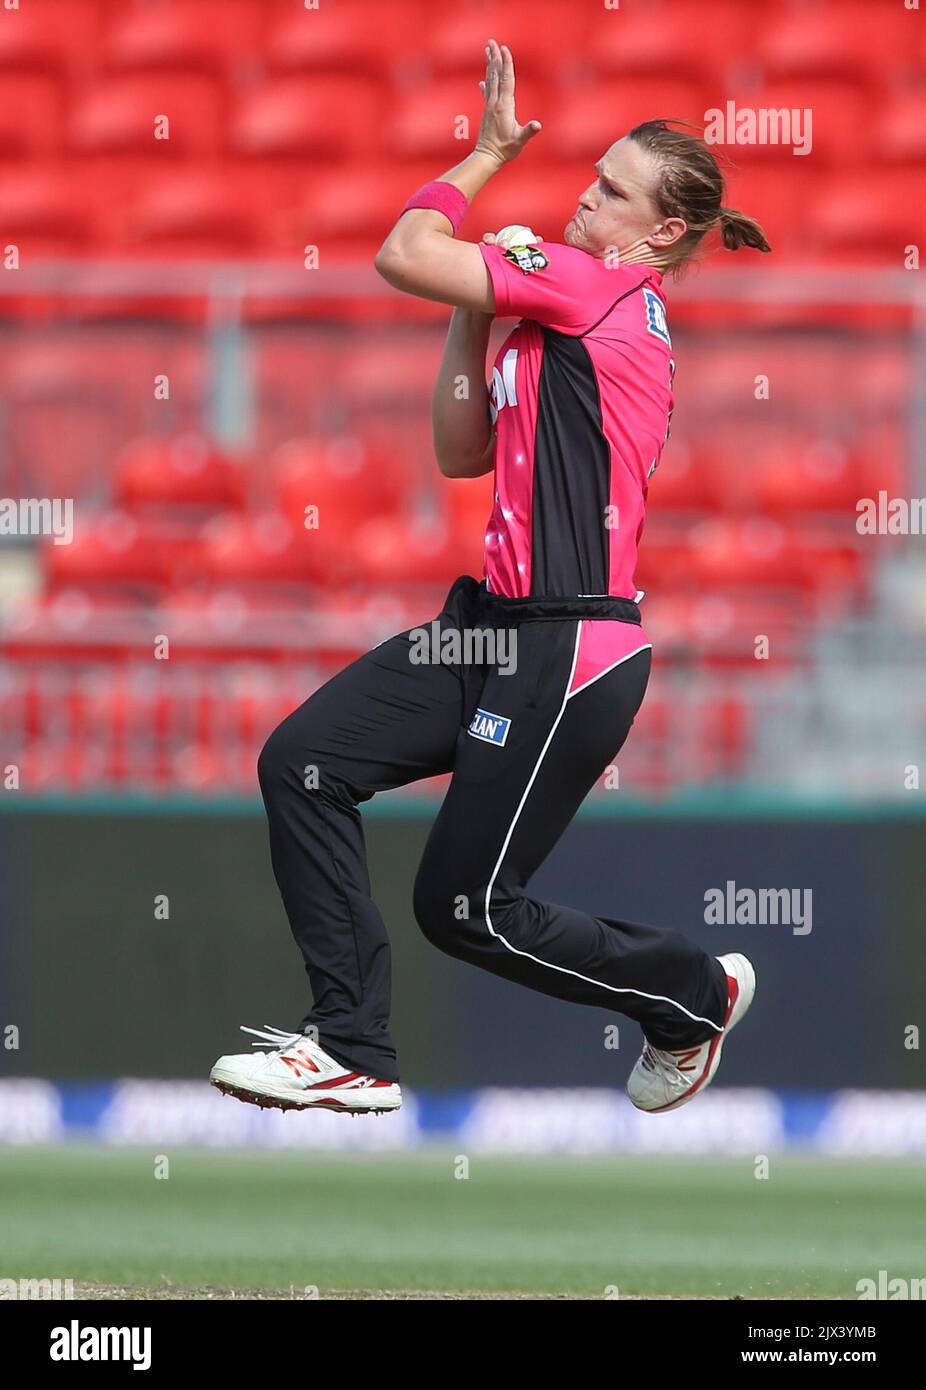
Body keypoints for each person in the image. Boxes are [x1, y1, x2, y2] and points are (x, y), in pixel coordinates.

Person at [210, 40, 770, 1117]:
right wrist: (479, 299)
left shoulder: (598, 286)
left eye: (610, 191)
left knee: (465, 908)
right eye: (590, 175)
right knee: (306, 761)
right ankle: (348, 1045)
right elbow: (460, 451)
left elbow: (401, 250)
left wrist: (481, 160)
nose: (582, 197)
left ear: (658, 233)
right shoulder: (562, 307)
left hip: (566, 644)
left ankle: (690, 992)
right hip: (490, 628)